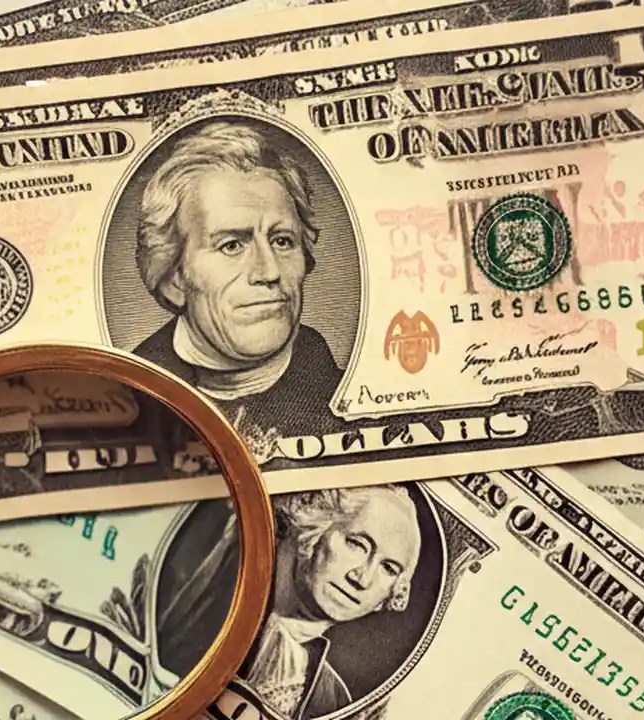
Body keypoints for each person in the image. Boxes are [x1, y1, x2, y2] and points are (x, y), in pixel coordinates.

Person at [131, 119, 343, 435]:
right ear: (174, 278)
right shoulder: (126, 401)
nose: (269, 272)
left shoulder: (354, 402)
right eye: (231, 245)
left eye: (282, 241)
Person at [156, 486, 422, 719]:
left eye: (388, 568)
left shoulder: (335, 699)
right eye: (356, 544)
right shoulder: (209, 572)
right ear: (315, 527)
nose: (362, 578)